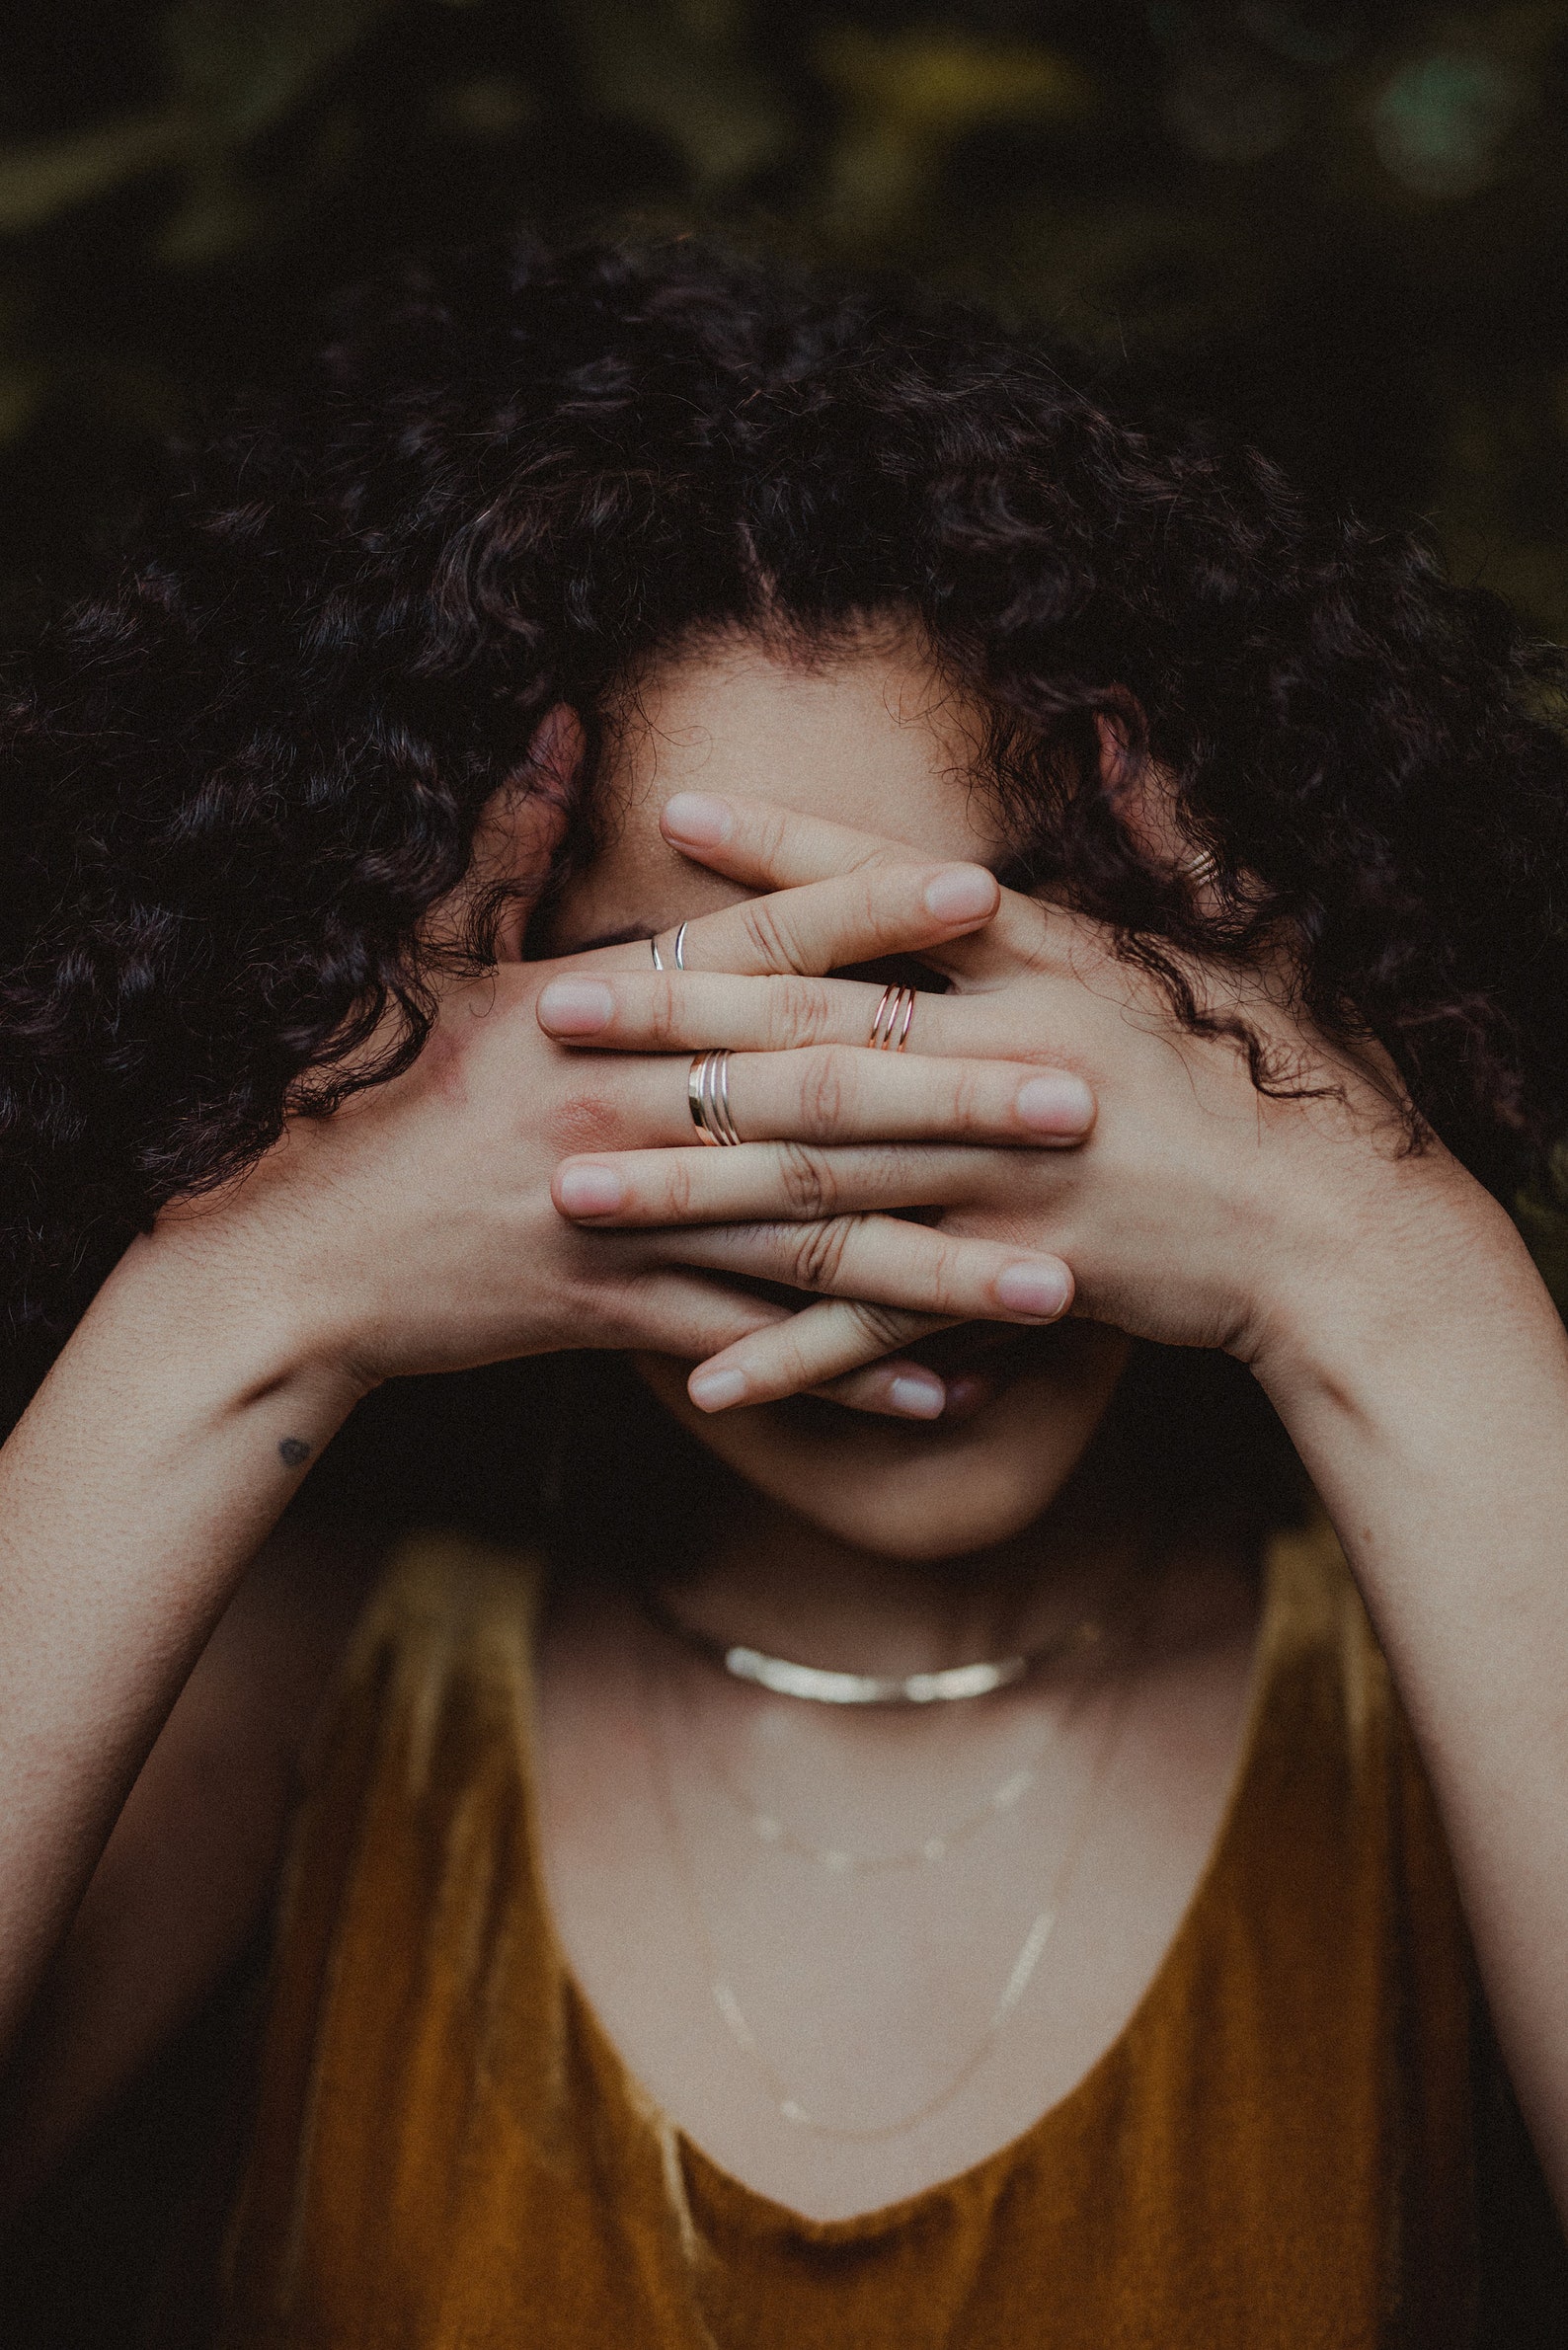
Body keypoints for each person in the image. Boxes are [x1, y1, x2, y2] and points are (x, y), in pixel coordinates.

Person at [0, 234, 1565, 2346]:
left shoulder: (1449, 1686)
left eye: (966, 1015)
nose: (861, 1190)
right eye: (705, 1046)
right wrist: (246, 1285)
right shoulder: (297, 1689)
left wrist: (1380, 1251)